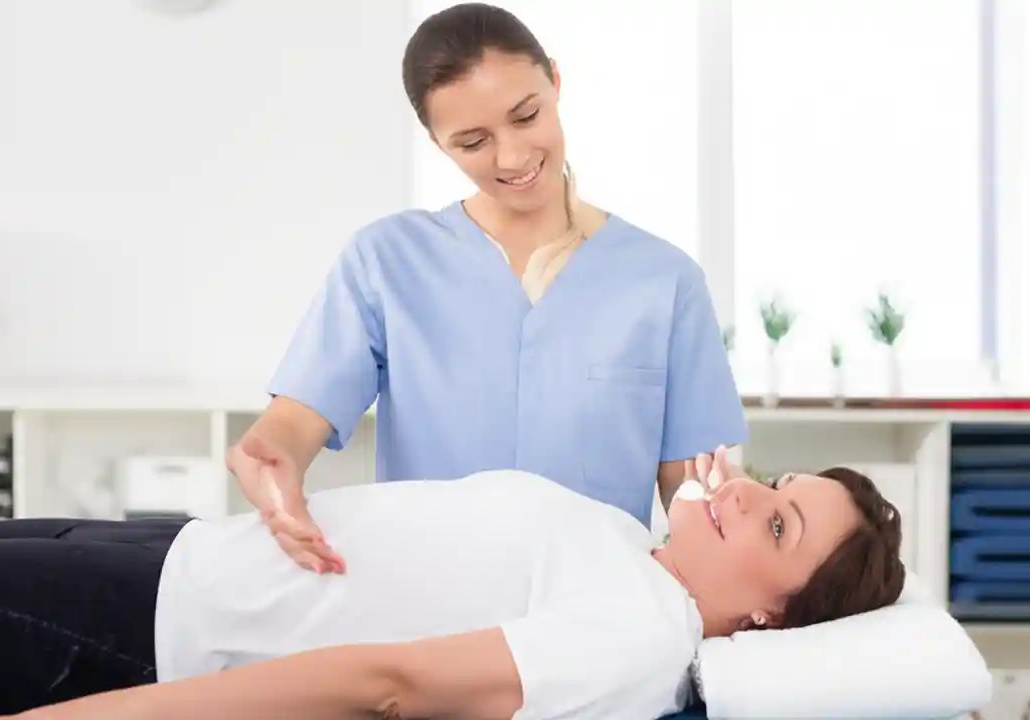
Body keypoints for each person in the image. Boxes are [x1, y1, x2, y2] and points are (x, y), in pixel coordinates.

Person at [229, 1, 747, 576]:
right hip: (424, 604)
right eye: (473, 142)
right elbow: (290, 427)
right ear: (436, 141)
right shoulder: (387, 262)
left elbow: (697, 494)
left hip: (593, 615)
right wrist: (270, 460)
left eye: (526, 116)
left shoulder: (664, 280)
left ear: (554, 80)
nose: (514, 156)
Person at [0, 461, 905, 719]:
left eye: (776, 522)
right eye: (772, 481)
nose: (744, 489)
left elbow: (386, 683)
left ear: (770, 612)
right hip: (169, 555)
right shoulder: (628, 546)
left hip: (141, 631)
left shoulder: (634, 637)